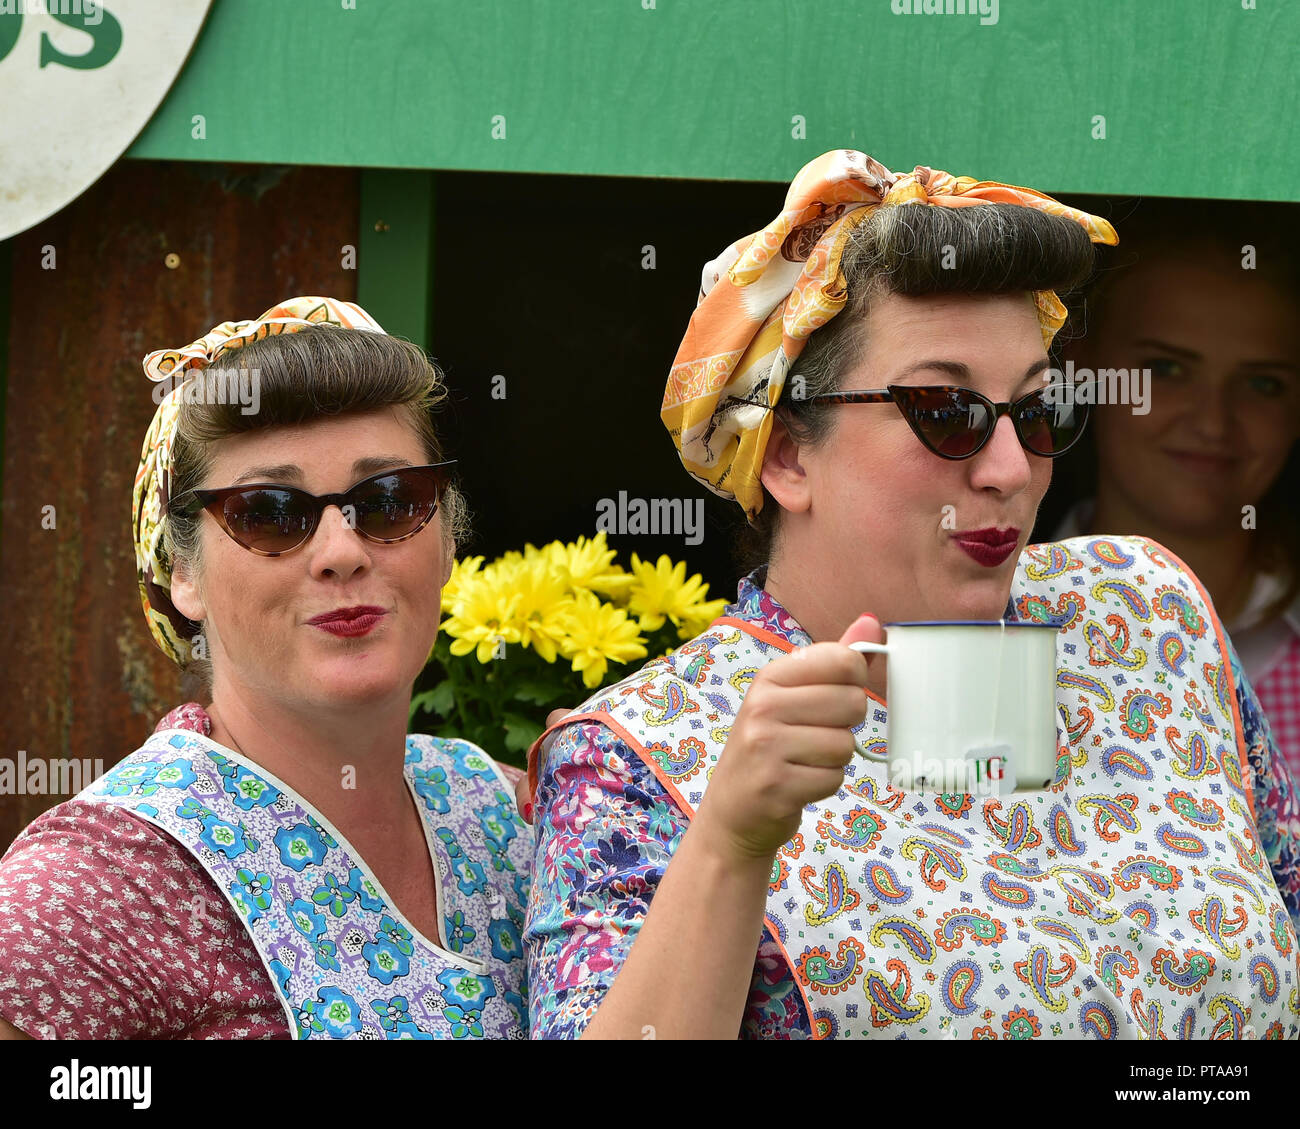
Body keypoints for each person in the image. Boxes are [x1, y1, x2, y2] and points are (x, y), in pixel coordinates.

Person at [524, 150, 1300, 1040]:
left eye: (1039, 412)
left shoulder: (1147, 613)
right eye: (946, 411)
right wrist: (729, 846)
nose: (1011, 470)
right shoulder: (642, 755)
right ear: (785, 453)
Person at [0, 298, 530, 1040]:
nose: (343, 550)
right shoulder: (90, 892)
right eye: (272, 512)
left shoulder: (508, 816)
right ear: (183, 572)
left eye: (388, 501)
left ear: (447, 539)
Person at [1051, 200, 1300, 785]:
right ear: (1080, 367)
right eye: (1166, 370)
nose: (1213, 423)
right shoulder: (987, 621)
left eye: (1263, 384)